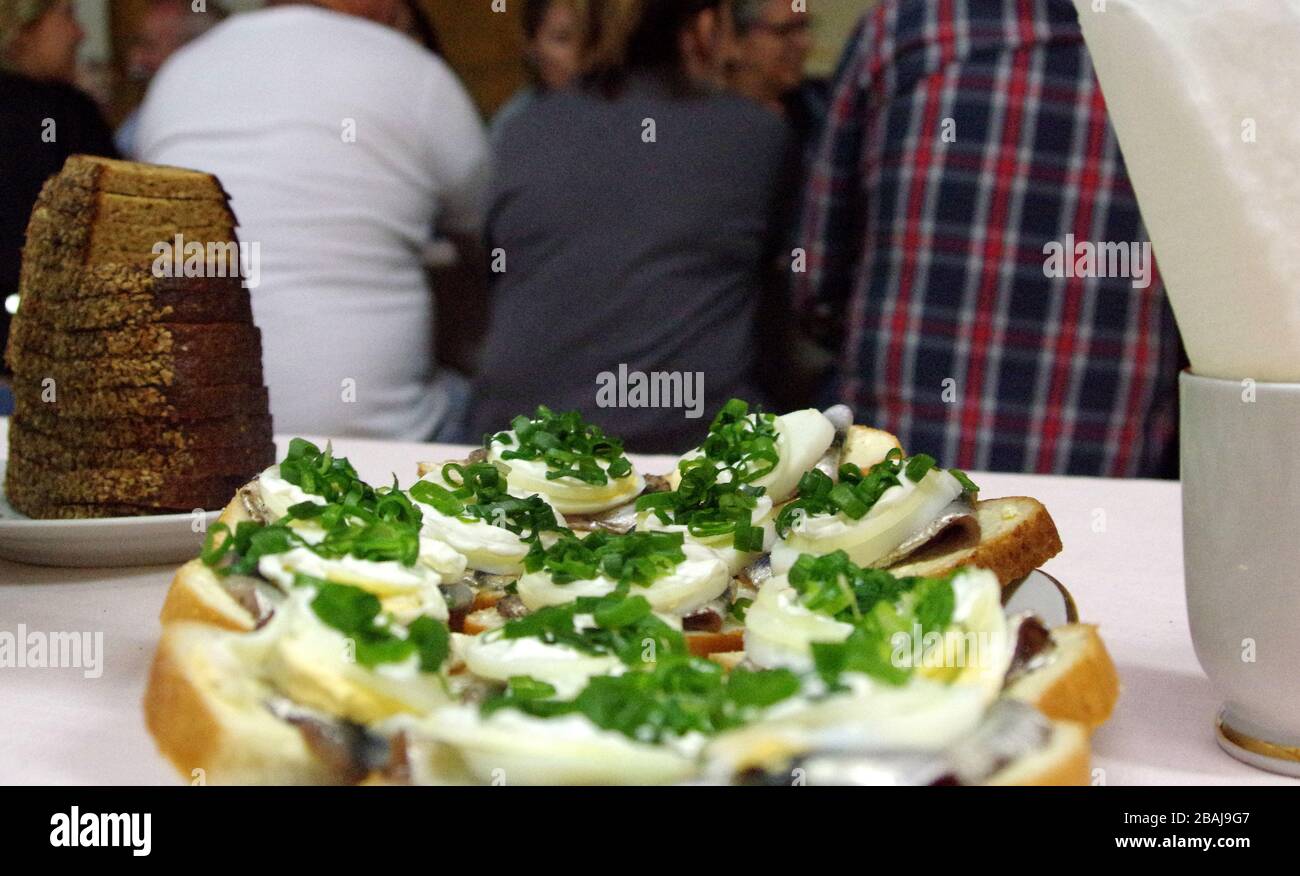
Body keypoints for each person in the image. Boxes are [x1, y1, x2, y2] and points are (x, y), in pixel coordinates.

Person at [796, 0, 1182, 478]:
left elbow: (815, 280)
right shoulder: (1186, 54)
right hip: (1107, 477)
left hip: (891, 488)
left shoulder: (903, 30)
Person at [135, 0, 490, 442]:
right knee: (494, 394)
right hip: (377, 443)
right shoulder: (413, 72)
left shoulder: (180, 73)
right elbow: (488, 233)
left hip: (195, 442)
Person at [469, 0, 791, 453]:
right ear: (704, 27)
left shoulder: (521, 128)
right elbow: (798, 297)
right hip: (690, 452)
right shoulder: (755, 132)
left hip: (515, 446)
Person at [0, 0, 118, 389]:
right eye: (66, 14)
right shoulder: (66, 113)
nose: (79, 34)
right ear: (22, 25)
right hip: (57, 363)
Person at [115, 0, 227, 158]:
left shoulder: (218, 128)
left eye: (149, 46)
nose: (135, 58)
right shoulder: (138, 121)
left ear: (194, 52)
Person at [490, 0, 587, 143]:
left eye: (592, 36)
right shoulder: (515, 130)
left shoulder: (626, 109)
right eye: (563, 38)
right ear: (531, 46)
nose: (582, 51)